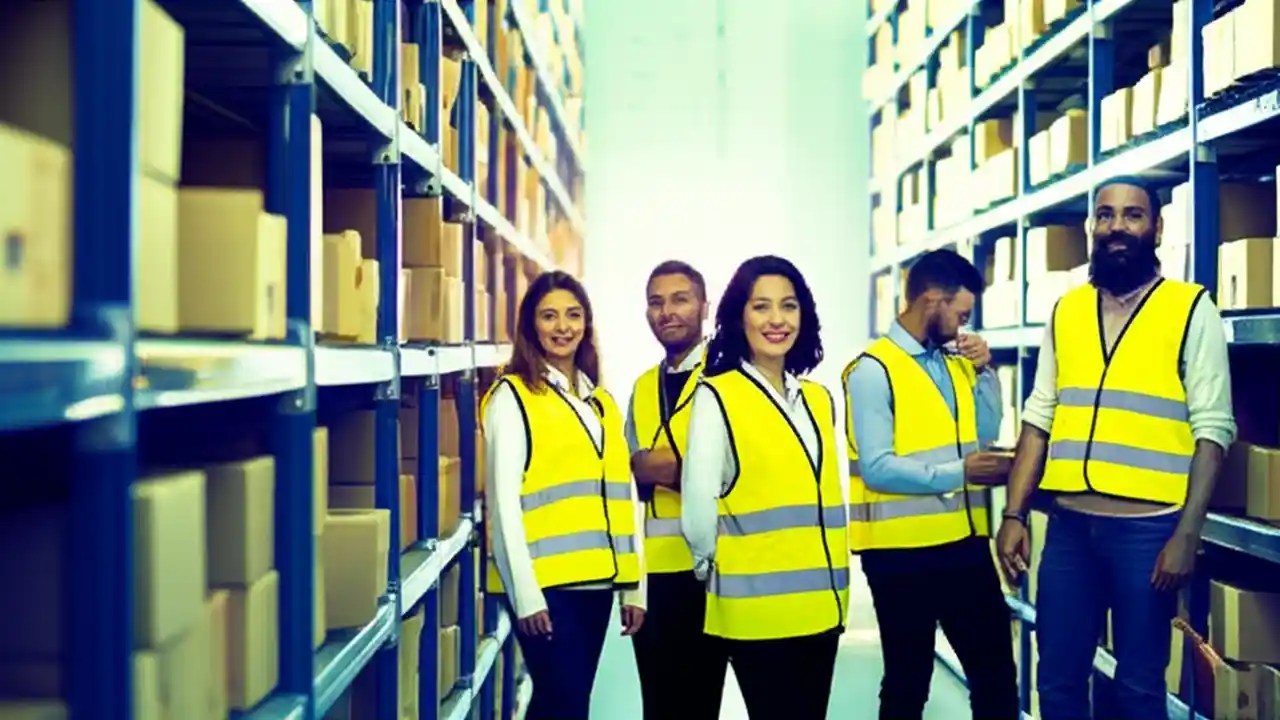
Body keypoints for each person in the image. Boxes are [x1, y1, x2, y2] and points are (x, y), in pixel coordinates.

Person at [996, 176, 1234, 720]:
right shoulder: (1066, 311)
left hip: (1149, 534)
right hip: (1069, 531)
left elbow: (1214, 430)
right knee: (1055, 679)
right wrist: (1014, 513)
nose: (1117, 227)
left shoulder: (1190, 309)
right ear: (1091, 227)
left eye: (1131, 215)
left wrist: (1186, 535)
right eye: (1105, 216)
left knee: (1138, 687)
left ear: (1156, 228)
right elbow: (1039, 419)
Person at [844, 248, 1020, 720]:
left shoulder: (957, 361)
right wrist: (957, 474)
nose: (964, 325)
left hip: (963, 546)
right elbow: (877, 466)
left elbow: (983, 432)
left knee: (997, 679)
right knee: (908, 682)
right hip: (899, 558)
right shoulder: (871, 370)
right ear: (931, 300)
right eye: (960, 313)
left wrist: (986, 373)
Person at [680, 255, 850, 720]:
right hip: (757, 613)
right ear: (740, 317)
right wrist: (712, 565)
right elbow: (697, 510)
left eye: (789, 306)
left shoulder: (818, 399)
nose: (777, 320)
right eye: (761, 307)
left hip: (823, 606)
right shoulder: (718, 395)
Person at [481, 270, 647, 720]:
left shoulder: (601, 403)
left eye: (574, 315)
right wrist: (527, 594)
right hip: (546, 587)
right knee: (565, 705)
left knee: (565, 706)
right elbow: (503, 504)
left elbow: (619, 499)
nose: (563, 327)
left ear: (587, 324)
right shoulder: (512, 397)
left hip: (596, 583)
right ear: (530, 325)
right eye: (549, 316)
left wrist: (634, 586)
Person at [624, 260, 727, 718]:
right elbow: (633, 473)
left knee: (701, 703)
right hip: (659, 578)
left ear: (705, 306)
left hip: (719, 572)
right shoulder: (643, 387)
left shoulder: (729, 376)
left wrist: (668, 467)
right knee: (660, 707)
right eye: (656, 302)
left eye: (680, 299)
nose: (667, 312)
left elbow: (733, 473)